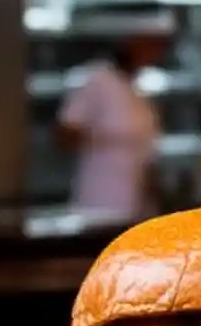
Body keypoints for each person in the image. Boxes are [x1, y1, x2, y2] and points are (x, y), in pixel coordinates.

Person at [56, 36, 163, 222]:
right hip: (100, 196)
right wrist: (111, 141)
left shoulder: (138, 87)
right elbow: (65, 134)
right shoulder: (96, 80)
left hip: (137, 199)